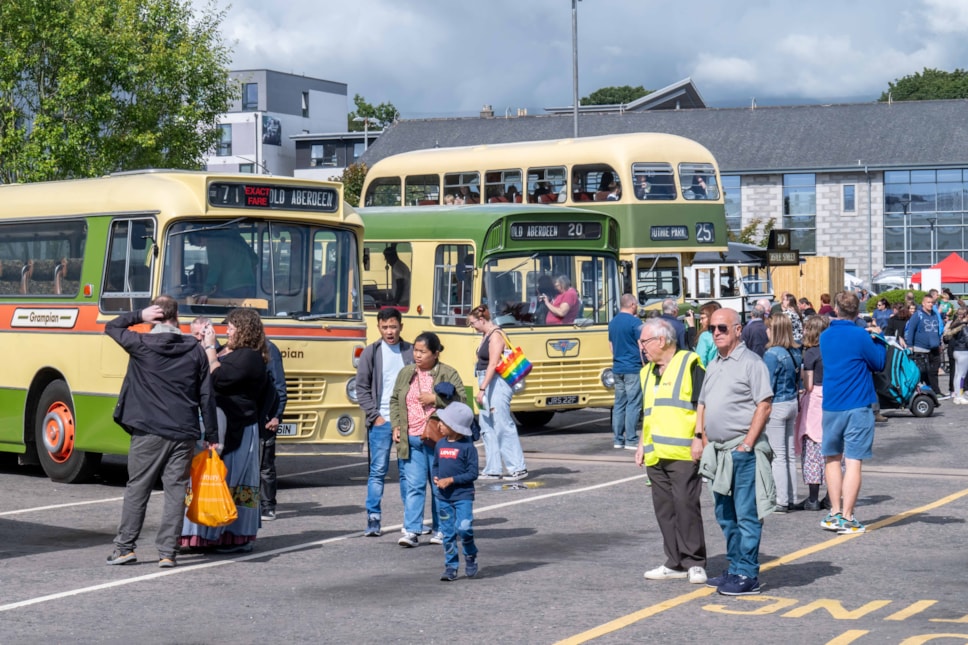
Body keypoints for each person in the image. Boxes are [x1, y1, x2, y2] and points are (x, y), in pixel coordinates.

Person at [105, 296, 218, 567]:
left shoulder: (141, 344)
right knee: (176, 490)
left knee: (138, 488)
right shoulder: (195, 349)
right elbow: (206, 395)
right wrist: (212, 435)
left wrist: (138, 315)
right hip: (183, 431)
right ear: (177, 316)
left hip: (148, 430)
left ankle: (125, 548)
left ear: (154, 316)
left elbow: (112, 327)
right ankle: (168, 551)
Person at [696, 307, 775, 596]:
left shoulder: (751, 363)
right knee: (725, 514)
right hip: (717, 451)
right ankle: (735, 566)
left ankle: (748, 574)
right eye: (712, 329)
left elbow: (764, 405)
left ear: (738, 330)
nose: (716, 333)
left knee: (746, 514)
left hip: (741, 451)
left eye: (722, 328)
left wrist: (747, 445)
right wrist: (701, 439)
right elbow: (703, 403)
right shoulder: (715, 362)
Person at [181, 308, 271, 553]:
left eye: (231, 326)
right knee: (211, 478)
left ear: (243, 330)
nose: (227, 330)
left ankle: (232, 535)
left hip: (238, 427)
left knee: (233, 480)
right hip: (221, 425)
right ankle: (203, 532)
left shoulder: (249, 357)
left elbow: (219, 378)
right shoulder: (229, 351)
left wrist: (210, 348)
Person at [636, 318, 708, 585]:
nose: (641, 347)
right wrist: (642, 444)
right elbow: (648, 412)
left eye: (645, 341)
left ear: (662, 340)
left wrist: (699, 437)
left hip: (683, 453)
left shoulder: (689, 363)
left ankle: (695, 562)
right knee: (664, 509)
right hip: (656, 454)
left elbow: (702, 403)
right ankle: (674, 561)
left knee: (686, 506)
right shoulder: (647, 372)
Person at [819, 291, 886, 535]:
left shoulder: (825, 336)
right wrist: (878, 338)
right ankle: (847, 516)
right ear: (857, 312)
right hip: (857, 404)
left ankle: (835, 511)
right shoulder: (860, 335)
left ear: (836, 310)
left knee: (832, 458)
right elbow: (878, 364)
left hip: (831, 403)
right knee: (853, 460)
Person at [391, 332, 466, 547]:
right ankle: (412, 531)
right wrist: (396, 425)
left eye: (423, 352)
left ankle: (442, 529)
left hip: (437, 440)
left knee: (438, 486)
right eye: (415, 350)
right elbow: (395, 399)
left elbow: (462, 400)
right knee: (414, 486)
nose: (417, 355)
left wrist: (436, 399)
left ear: (435, 353)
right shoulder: (406, 373)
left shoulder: (448, 373)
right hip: (411, 438)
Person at [356, 307, 415, 537]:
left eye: (393, 326)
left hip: (406, 423)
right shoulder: (371, 352)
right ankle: (373, 518)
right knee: (377, 471)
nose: (389, 331)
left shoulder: (411, 351)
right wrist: (375, 416)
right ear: (378, 327)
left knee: (407, 472)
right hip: (381, 422)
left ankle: (410, 521)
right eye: (385, 327)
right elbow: (361, 387)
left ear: (401, 326)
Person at [468, 305, 528, 480]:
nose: (472, 326)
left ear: (482, 320)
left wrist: (482, 389)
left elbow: (493, 364)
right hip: (485, 380)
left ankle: (517, 467)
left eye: (473, 323)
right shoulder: (485, 335)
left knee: (502, 424)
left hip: (497, 382)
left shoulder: (496, 335)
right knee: (487, 425)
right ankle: (493, 468)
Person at [431, 402, 480, 581]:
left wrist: (451, 480)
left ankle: (470, 554)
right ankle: (451, 566)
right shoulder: (440, 444)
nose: (439, 425)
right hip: (442, 497)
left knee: (464, 528)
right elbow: (435, 465)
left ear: (454, 427)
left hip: (463, 496)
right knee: (448, 533)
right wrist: (436, 477)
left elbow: (472, 473)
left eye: (443, 422)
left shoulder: (468, 448)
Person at [762, 314, 802, 513]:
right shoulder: (794, 351)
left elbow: (767, 386)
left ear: (774, 330)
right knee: (788, 454)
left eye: (768, 328)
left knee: (778, 455)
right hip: (792, 401)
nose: (766, 331)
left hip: (777, 404)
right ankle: (792, 496)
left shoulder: (771, 354)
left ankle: (781, 499)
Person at [796, 314, 830, 511]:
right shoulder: (832, 351)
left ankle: (812, 498)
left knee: (812, 449)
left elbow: (808, 384)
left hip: (815, 399)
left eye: (807, 328)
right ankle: (831, 496)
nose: (804, 332)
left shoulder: (811, 353)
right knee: (831, 449)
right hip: (832, 398)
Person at [608, 294, 644, 449]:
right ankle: (631, 439)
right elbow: (641, 346)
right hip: (633, 367)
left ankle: (617, 439)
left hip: (617, 367)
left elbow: (611, 345)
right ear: (632, 304)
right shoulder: (635, 322)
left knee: (619, 403)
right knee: (633, 403)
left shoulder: (613, 322)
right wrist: (645, 365)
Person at [259, 338, 287, 522]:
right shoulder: (235, 347)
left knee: (265, 465)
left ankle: (268, 506)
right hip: (247, 416)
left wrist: (276, 415)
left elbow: (280, 387)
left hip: (266, 418)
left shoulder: (269, 349)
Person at [190, 228, 258, 302]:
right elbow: (255, 259)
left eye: (200, 244)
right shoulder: (238, 238)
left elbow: (215, 269)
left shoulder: (213, 242)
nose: (203, 246)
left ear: (201, 236)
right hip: (250, 285)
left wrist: (206, 291)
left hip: (232, 287)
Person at [905, 293, 944, 397]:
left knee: (934, 370)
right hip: (921, 348)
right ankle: (924, 390)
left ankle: (936, 391)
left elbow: (936, 330)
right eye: (928, 302)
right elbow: (911, 330)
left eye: (932, 302)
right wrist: (910, 345)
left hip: (934, 347)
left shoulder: (935, 314)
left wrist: (939, 343)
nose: (930, 304)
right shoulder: (917, 315)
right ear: (923, 303)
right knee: (923, 371)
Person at [943, 307, 968, 404]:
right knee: (962, 376)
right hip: (964, 352)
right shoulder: (965, 327)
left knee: (957, 375)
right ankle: (960, 395)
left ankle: (957, 395)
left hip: (957, 351)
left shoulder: (957, 325)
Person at [693, 301, 722, 367]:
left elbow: (700, 362)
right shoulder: (727, 333)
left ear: (710, 317)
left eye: (702, 318)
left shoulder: (705, 336)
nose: (700, 321)